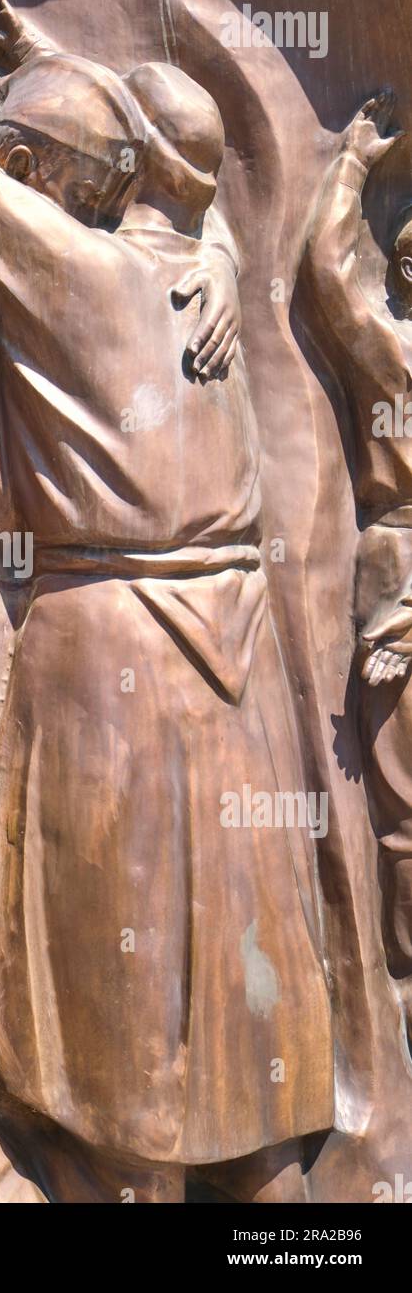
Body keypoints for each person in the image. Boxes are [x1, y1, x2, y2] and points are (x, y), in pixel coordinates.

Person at [0, 53, 335, 1201]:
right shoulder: (206, 279)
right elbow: (205, 227)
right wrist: (204, 238)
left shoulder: (81, 271)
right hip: (231, 649)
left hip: (119, 651)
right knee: (234, 972)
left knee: (124, 972)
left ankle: (124, 1163)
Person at [303, 89, 412, 997]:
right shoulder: (391, 354)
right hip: (403, 576)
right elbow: (332, 273)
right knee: (406, 805)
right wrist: (348, 166)